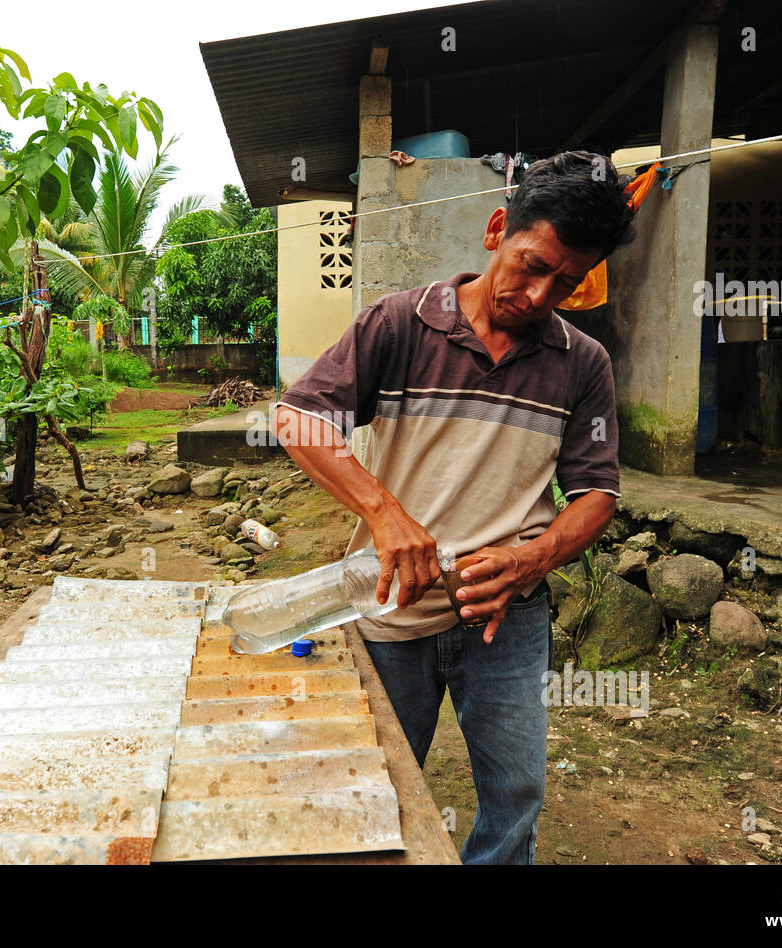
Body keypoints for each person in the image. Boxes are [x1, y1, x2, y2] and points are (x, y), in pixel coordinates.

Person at [272, 150, 637, 864]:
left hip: (507, 619)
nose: (538, 296)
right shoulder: (400, 324)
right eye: (533, 265)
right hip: (391, 606)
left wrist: (531, 558)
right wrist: (384, 512)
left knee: (515, 798)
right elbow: (299, 418)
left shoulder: (582, 362)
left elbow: (597, 494)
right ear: (498, 228)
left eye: (564, 283)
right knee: (370, 786)